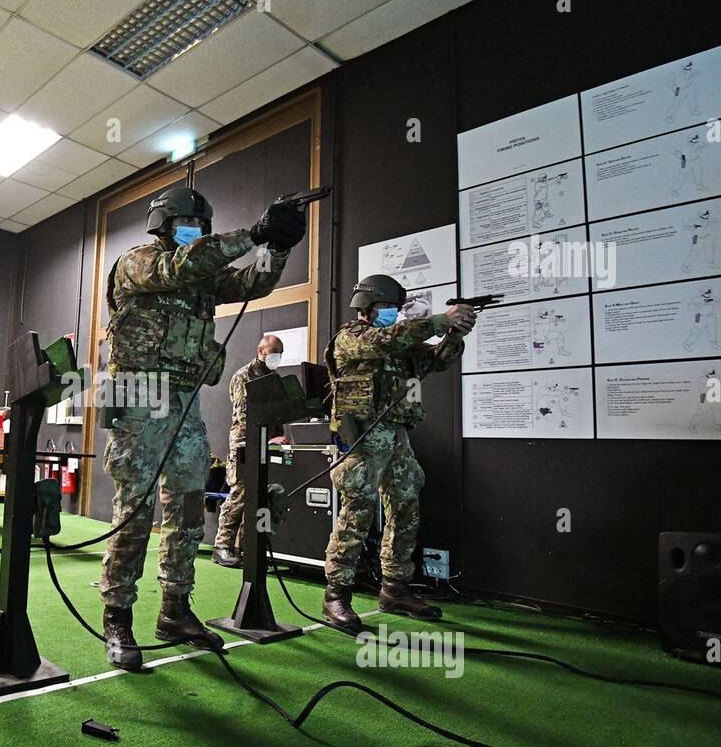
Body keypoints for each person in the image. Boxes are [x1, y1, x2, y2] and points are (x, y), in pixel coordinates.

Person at [100, 187, 306, 670]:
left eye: (200, 223)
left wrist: (277, 248)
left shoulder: (205, 272)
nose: (195, 230)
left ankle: (174, 608)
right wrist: (252, 232)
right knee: (135, 507)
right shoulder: (139, 261)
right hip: (138, 393)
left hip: (184, 397)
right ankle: (118, 615)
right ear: (163, 225)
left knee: (189, 505)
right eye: (186, 222)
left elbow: (251, 284)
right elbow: (179, 267)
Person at [322, 274, 474, 631]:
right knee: (357, 512)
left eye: (395, 308)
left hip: (396, 435)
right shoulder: (351, 337)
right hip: (362, 436)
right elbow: (385, 341)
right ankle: (335, 597)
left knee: (406, 506)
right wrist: (440, 320)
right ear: (368, 308)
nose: (394, 314)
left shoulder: (400, 346)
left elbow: (437, 360)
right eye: (388, 308)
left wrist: (455, 335)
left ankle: (395, 588)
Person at [212, 334, 288, 568]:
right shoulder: (244, 375)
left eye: (280, 351)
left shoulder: (273, 378)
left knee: (263, 494)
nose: (277, 355)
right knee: (241, 493)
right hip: (246, 442)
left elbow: (280, 412)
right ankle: (222, 546)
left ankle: (248, 547)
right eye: (273, 350)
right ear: (260, 350)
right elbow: (244, 416)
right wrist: (270, 436)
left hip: (269, 442)